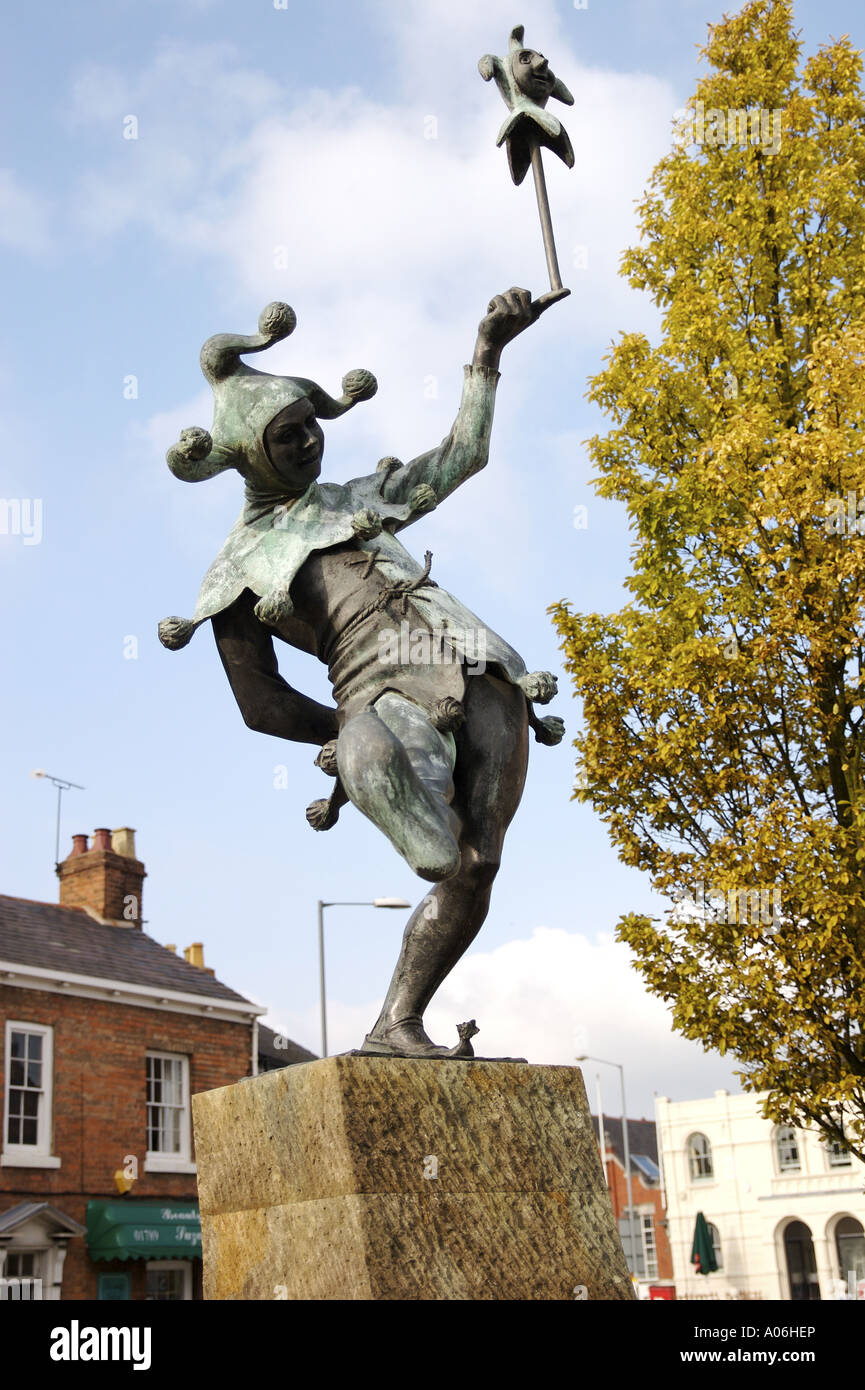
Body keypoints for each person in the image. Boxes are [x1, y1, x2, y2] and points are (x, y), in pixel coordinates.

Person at [160, 287, 564, 1057]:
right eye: (288, 437)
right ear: (248, 451)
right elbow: (261, 701)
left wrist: (487, 353)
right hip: (379, 690)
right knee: (413, 802)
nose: (311, 442)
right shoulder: (237, 569)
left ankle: (396, 1023)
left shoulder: (358, 499)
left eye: (312, 426)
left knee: (477, 864)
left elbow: (462, 457)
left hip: (483, 673)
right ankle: (373, 763)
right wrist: (343, 723)